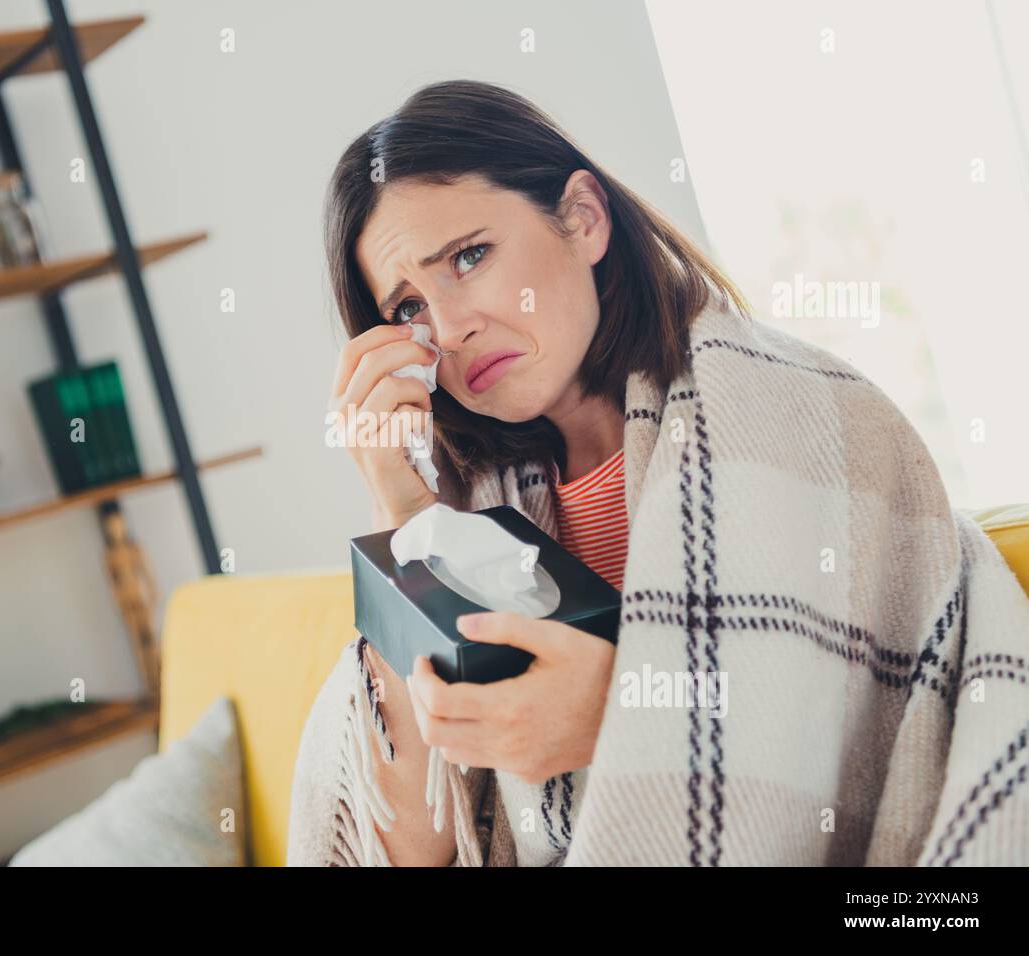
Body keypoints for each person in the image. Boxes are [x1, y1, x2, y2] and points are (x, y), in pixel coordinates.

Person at [287, 79, 1029, 867]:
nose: (451, 326)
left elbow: (832, 756)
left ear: (582, 218)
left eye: (470, 256)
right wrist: (400, 511)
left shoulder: (792, 414)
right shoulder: (467, 520)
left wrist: (618, 716)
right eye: (407, 309)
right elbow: (406, 848)